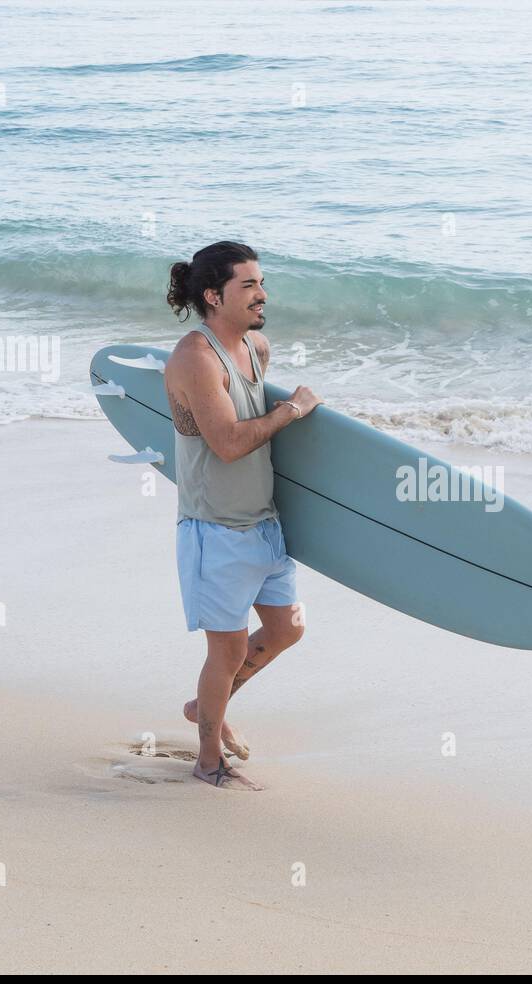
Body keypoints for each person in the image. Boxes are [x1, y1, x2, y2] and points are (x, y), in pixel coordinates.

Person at [163, 241, 321, 788]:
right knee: (226, 648)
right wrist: (292, 411)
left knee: (285, 628)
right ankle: (209, 761)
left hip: (264, 522)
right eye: (249, 285)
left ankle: (204, 705)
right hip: (216, 529)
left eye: (261, 283)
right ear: (213, 295)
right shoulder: (194, 358)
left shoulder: (256, 347)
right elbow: (229, 443)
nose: (262, 295)